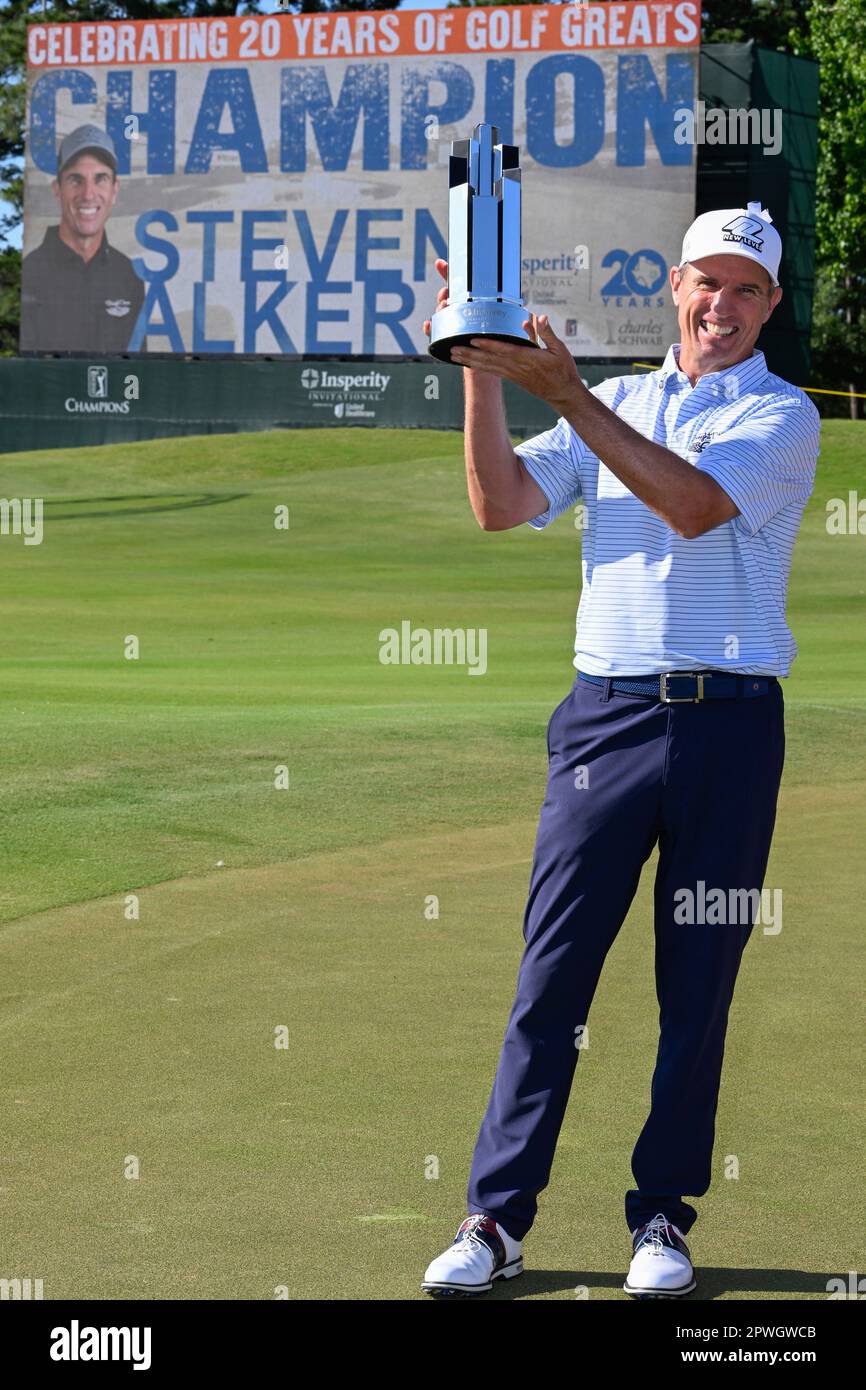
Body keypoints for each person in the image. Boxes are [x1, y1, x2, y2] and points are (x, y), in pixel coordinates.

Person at [420, 203, 820, 1299]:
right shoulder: (622, 402)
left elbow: (690, 505)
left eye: (746, 290)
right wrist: (477, 362)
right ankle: (495, 1219)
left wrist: (568, 395)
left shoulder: (783, 416)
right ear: (675, 288)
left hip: (730, 729)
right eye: (706, 283)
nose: (721, 307)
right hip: (604, 722)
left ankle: (660, 1222)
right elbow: (500, 504)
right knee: (550, 975)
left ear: (769, 306)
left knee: (696, 986)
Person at [20, 124, 146, 353]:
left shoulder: (128, 276)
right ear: (57, 189)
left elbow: (137, 375)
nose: (88, 194)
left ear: (114, 190)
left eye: (101, 179)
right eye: (76, 179)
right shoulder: (30, 273)